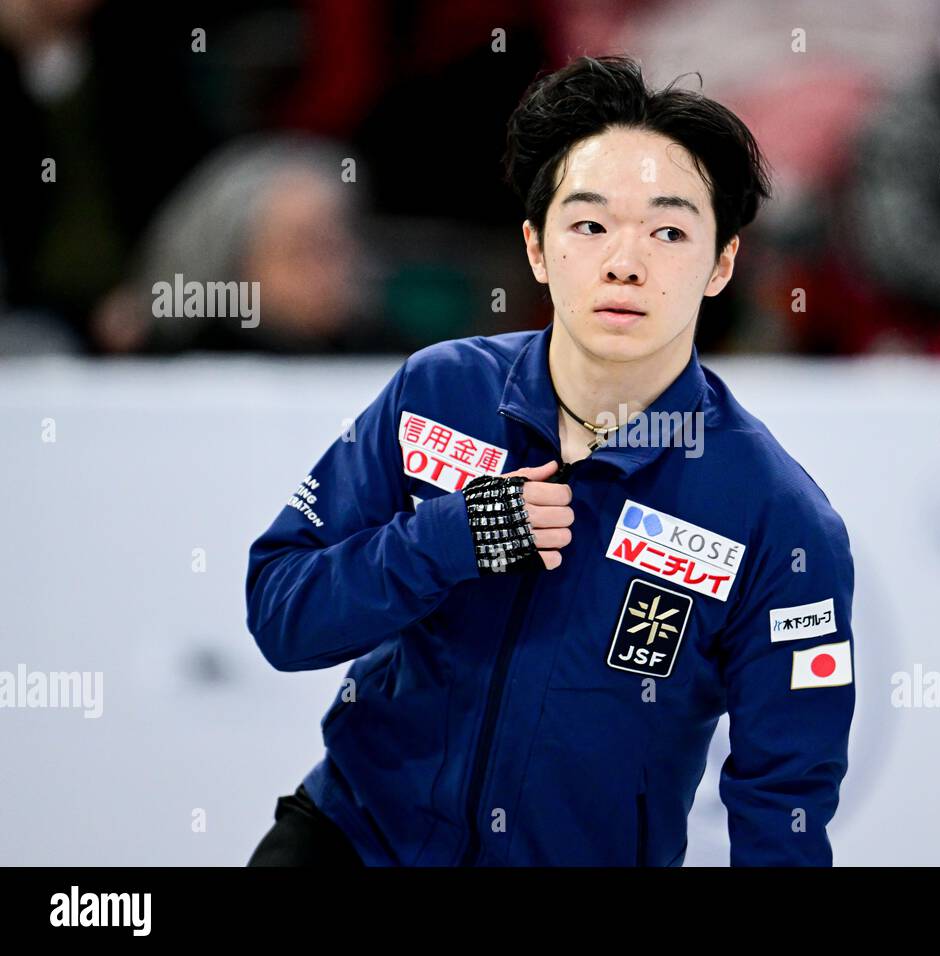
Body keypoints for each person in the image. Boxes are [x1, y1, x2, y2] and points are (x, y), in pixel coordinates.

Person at [244, 54, 856, 867]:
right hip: (352, 842)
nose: (625, 262)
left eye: (669, 230)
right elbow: (283, 615)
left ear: (722, 264)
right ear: (536, 247)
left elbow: (785, 804)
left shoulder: (776, 518)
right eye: (590, 224)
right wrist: (445, 541)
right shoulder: (437, 393)